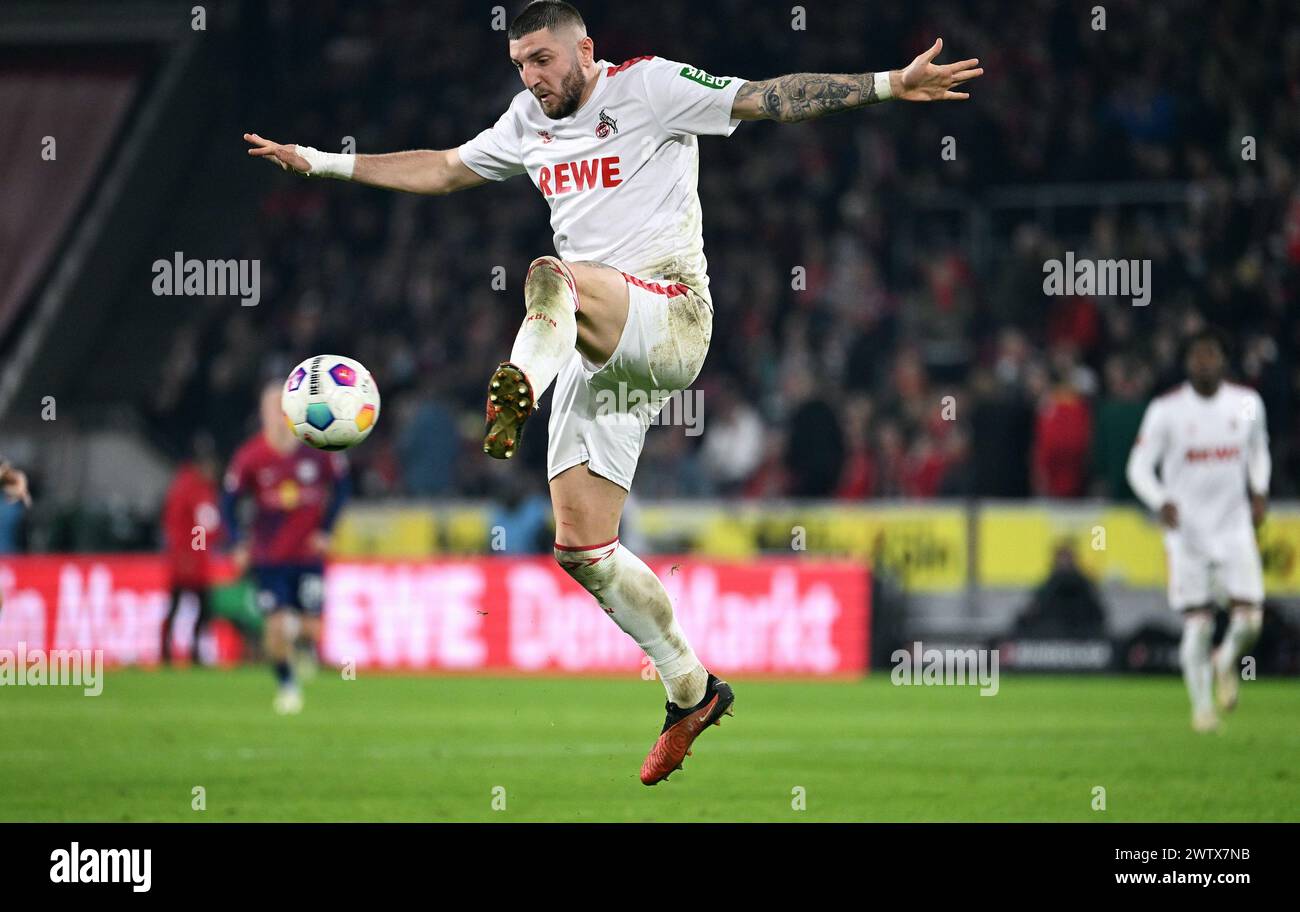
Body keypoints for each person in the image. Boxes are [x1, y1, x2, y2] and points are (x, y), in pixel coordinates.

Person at [243, 0, 981, 782]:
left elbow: (768, 96)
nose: (531, 78)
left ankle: (518, 384)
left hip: (668, 314)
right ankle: (690, 690)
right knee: (582, 549)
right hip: (593, 348)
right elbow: (448, 166)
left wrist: (888, 84)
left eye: (542, 60)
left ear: (584, 49)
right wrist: (321, 161)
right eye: (520, 64)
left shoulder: (651, 87)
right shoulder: (527, 121)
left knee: (549, 275)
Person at [1127, 329, 1269, 733]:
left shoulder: (1246, 404)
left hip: (1234, 526)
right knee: (1198, 622)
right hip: (1187, 533)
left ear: (1223, 361)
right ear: (1188, 363)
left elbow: (1259, 450)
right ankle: (1202, 710)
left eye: (1211, 355)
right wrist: (1159, 500)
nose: (1204, 363)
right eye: (1197, 356)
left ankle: (1225, 662)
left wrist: (1258, 489)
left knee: (1251, 622)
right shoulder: (1166, 410)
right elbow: (1137, 467)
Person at [221, 383, 350, 714]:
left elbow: (343, 487)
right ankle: (287, 685)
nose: (279, 416)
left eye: (284, 408)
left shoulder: (316, 449)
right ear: (263, 414)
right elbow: (228, 502)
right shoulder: (251, 456)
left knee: (311, 628)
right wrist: (237, 542)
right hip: (270, 558)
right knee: (275, 626)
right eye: (272, 409)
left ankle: (303, 645)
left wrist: (325, 530)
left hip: (308, 557)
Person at [160, 435, 224, 665]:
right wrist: (188, 552)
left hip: (193, 560)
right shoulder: (190, 488)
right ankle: (173, 652)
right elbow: (188, 525)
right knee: (187, 607)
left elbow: (205, 525)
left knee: (191, 608)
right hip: (188, 561)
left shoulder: (195, 488)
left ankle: (185, 652)